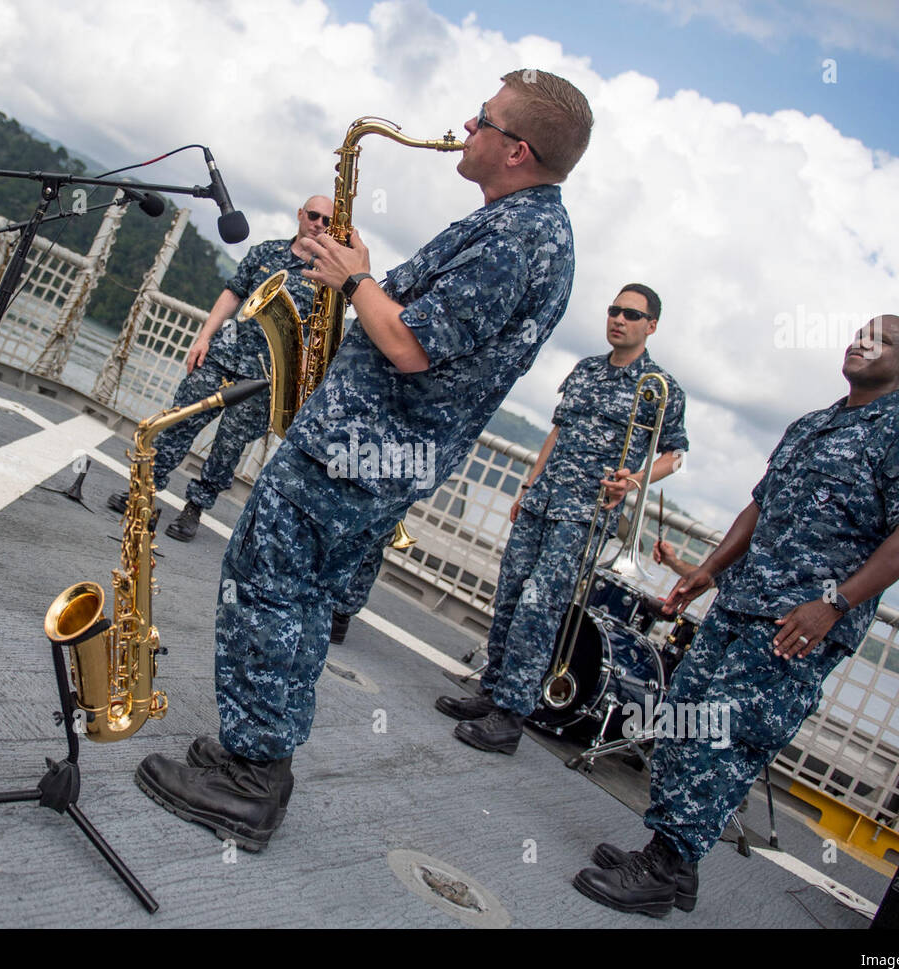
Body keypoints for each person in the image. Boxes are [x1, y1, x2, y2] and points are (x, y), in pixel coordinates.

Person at [135, 69, 594, 850]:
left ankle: (249, 783)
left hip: (355, 454)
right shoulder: (523, 227)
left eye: (481, 119)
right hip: (372, 453)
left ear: (517, 150)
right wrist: (366, 276)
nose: (464, 125)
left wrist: (357, 279)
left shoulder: (516, 238)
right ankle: (257, 757)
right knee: (304, 600)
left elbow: (411, 346)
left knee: (269, 588)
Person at [572, 315, 899, 917]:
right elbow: (759, 505)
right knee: (683, 721)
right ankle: (677, 861)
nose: (861, 342)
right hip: (740, 604)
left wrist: (834, 604)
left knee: (722, 740)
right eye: (859, 333)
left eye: (880, 341)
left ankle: (664, 867)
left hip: (797, 627)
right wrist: (706, 572)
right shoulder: (813, 424)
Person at [435, 284, 688, 754]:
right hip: (543, 499)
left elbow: (674, 456)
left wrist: (632, 482)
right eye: (614, 310)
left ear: (651, 325)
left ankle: (511, 715)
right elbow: (558, 430)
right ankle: (492, 691)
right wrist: (529, 484)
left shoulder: (660, 389)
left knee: (540, 604)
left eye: (631, 314)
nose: (619, 319)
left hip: (585, 514)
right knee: (510, 593)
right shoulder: (587, 369)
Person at [108, 197, 330, 541]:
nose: (318, 223)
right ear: (300, 215)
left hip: (263, 378)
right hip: (223, 356)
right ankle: (144, 494)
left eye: (327, 221)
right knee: (178, 422)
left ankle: (193, 510)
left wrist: (295, 385)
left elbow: (319, 337)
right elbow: (232, 293)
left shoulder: (328, 279)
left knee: (228, 448)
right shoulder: (264, 252)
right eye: (313, 215)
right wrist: (203, 337)